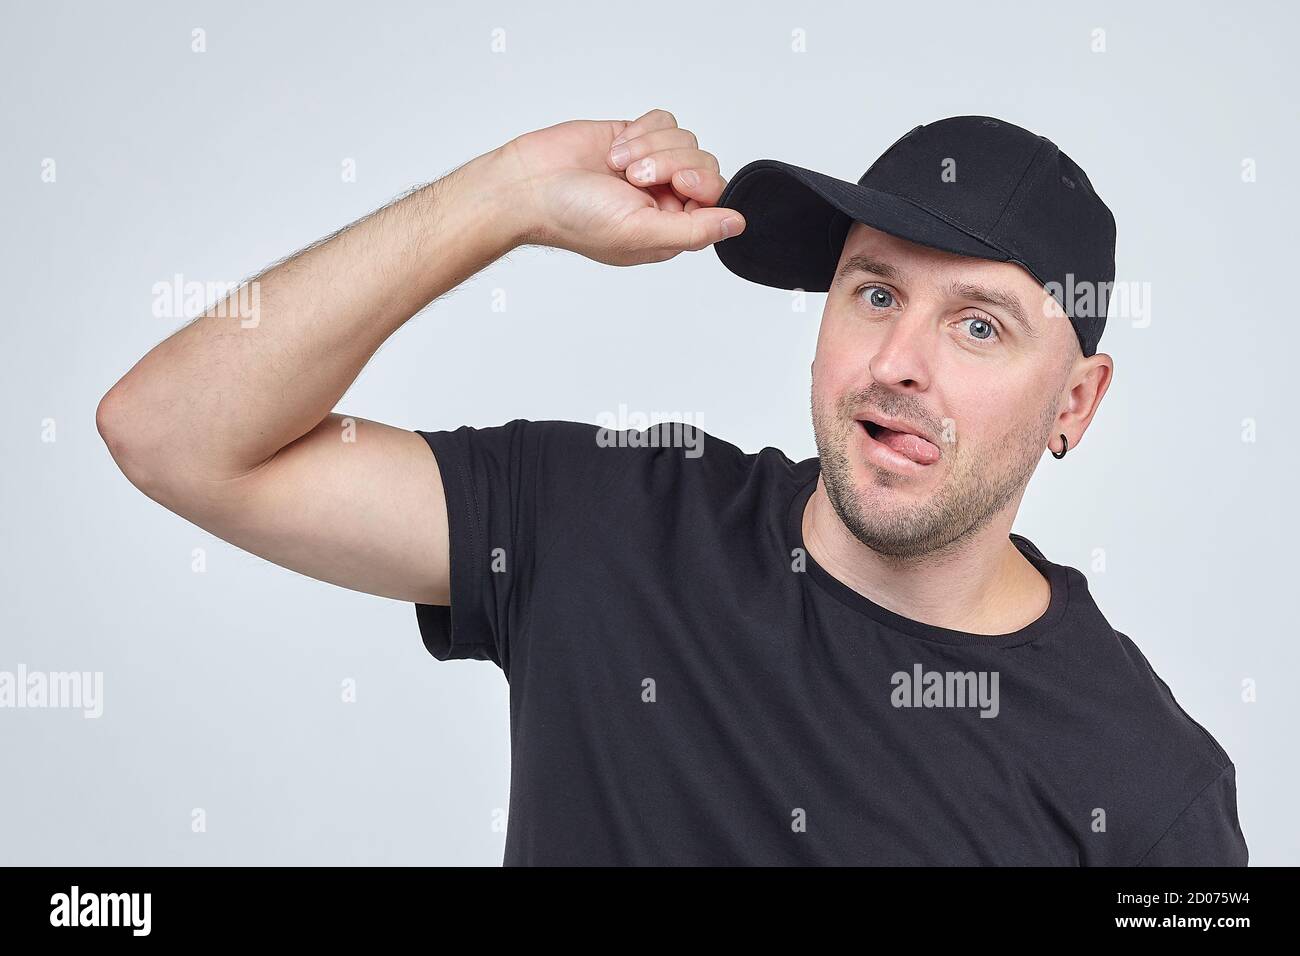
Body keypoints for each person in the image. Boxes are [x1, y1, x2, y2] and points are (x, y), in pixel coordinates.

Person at [97, 108, 1248, 866]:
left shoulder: (1149, 793)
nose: (902, 360)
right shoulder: (601, 519)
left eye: (981, 325)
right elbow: (173, 436)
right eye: (875, 293)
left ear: (1075, 405)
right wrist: (505, 200)